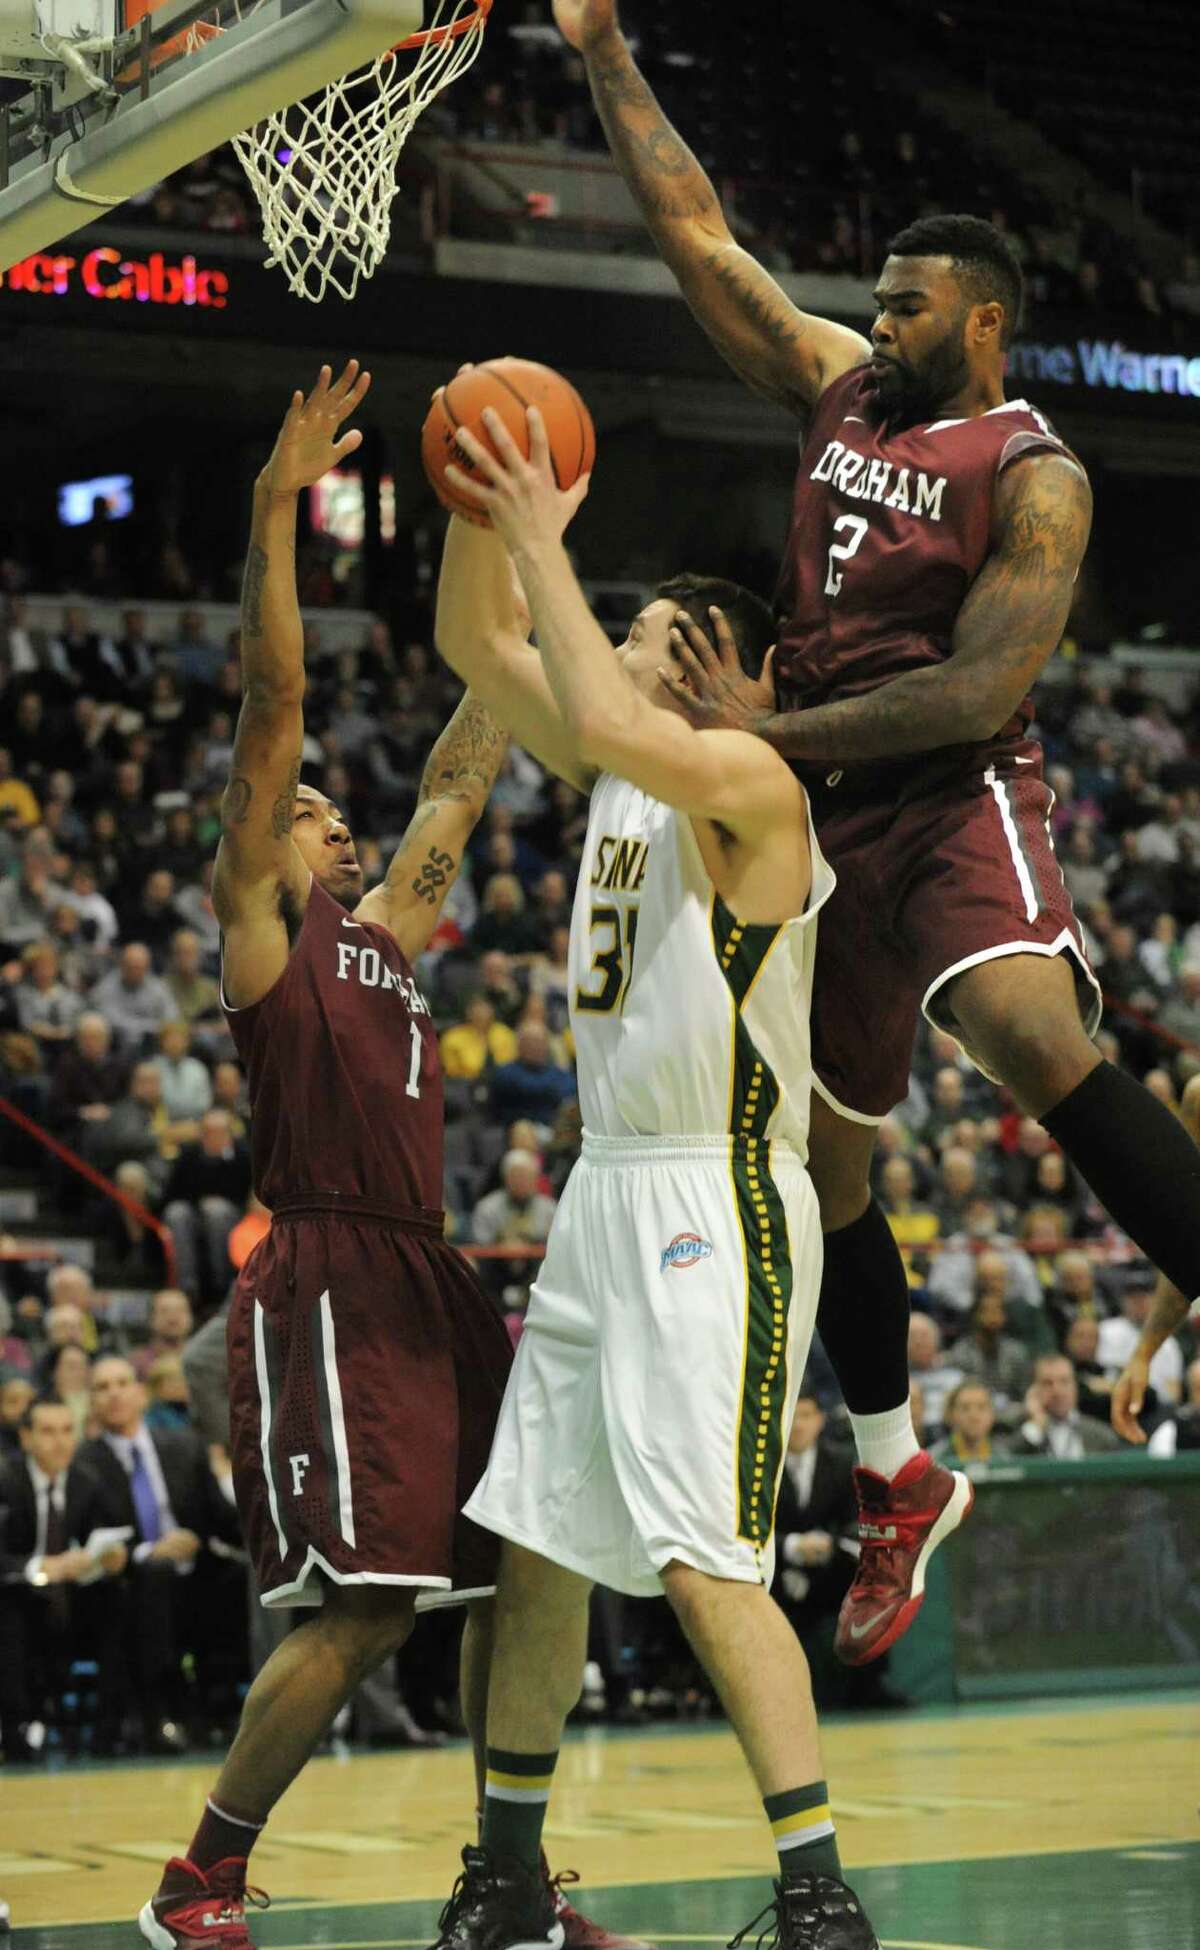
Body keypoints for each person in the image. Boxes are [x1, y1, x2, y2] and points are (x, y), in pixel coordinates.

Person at [551, 0, 1200, 1671]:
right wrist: (608, 49)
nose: (874, 316)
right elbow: (704, 240)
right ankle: (899, 1470)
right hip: (818, 800)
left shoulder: (1032, 473)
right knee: (824, 1162)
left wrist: (768, 730)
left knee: (1029, 1029)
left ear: (979, 322)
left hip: (948, 781)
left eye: (906, 302)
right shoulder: (845, 395)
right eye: (879, 298)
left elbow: (981, 686)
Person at [138, 366, 620, 1950]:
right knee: (360, 1609)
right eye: (312, 815)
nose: (337, 825)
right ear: (261, 847)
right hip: (332, 1272)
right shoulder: (265, 941)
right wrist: (279, 507)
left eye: (348, 817)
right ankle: (197, 1873)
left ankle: (510, 1879)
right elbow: (274, 709)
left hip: (430, 1271)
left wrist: (532, 556)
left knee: (506, 1583)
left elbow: (465, 779)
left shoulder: (391, 934)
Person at [429, 410, 879, 1947]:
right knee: (538, 1542)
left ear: (742, 675)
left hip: (717, 1200)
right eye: (620, 625)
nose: (622, 645)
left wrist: (548, 526)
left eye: (660, 633)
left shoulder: (750, 784)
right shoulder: (624, 764)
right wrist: (479, 490)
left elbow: (620, 720)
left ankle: (819, 1893)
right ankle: (506, 1873)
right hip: (606, 1188)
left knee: (700, 1562)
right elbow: (472, 636)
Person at [81, 1354, 243, 1755]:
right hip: (132, 1583)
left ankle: (238, 1710)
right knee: (156, 1577)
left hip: (200, 1571)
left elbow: (222, 1521)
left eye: (121, 1383)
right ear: (92, 1402)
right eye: (102, 1387)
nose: (114, 1394)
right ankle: (160, 1715)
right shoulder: (85, 1463)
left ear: (140, 1394)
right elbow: (90, 1537)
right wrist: (151, 1550)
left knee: (250, 1579)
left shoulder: (185, 1445)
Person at [0, 1393, 128, 1762]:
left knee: (116, 1598)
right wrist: (39, 1568)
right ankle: (18, 1727)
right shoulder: (6, 1480)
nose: (60, 1441)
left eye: (68, 1431)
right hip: (21, 1600)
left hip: (71, 1599)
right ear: (26, 1438)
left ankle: (108, 1726)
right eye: (48, 1432)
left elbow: (107, 1533)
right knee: (11, 1608)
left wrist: (110, 1559)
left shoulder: (86, 1481)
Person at [1010, 1355, 1122, 1459]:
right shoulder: (1018, 1429)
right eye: (1048, 1383)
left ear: (1075, 1387)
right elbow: (1003, 1461)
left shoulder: (1102, 1436)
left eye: (1064, 1382)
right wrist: (1037, 1423)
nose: (1057, 1391)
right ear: (1034, 1390)